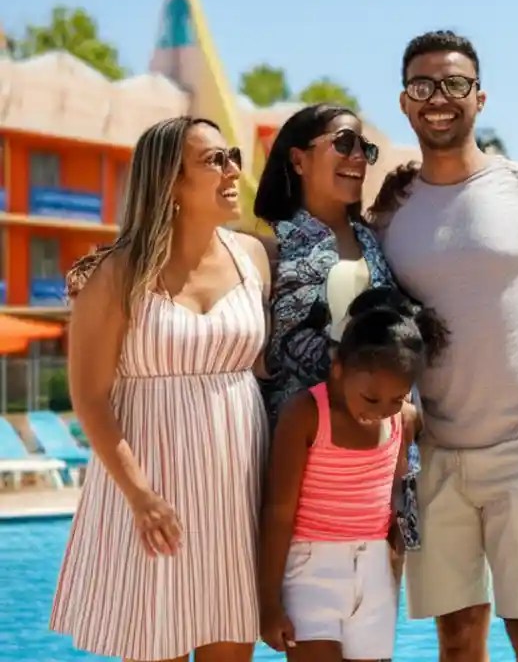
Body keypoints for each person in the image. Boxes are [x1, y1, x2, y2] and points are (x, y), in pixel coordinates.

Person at [369, 30, 518, 662]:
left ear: (480, 97)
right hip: (434, 453)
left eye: (455, 84)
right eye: (423, 86)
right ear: (406, 103)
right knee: (458, 637)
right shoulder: (391, 210)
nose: (439, 97)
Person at [49, 116, 273, 662]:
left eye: (233, 156)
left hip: (236, 487)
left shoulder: (254, 258)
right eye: (214, 160)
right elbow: (90, 397)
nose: (232, 171)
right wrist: (140, 496)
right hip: (152, 494)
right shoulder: (115, 274)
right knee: (156, 647)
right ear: (169, 181)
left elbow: (267, 372)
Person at [257, 287, 448, 661]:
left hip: (374, 572)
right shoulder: (307, 414)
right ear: (339, 368)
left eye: (397, 398)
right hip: (311, 569)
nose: (381, 410)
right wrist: (268, 601)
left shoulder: (402, 419)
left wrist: (392, 545)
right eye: (371, 398)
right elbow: (278, 511)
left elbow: (392, 492)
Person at [254, 103, 400, 429]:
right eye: (345, 143)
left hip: (376, 446)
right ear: (298, 160)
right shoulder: (263, 246)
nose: (359, 157)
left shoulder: (375, 240)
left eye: (366, 148)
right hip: (293, 449)